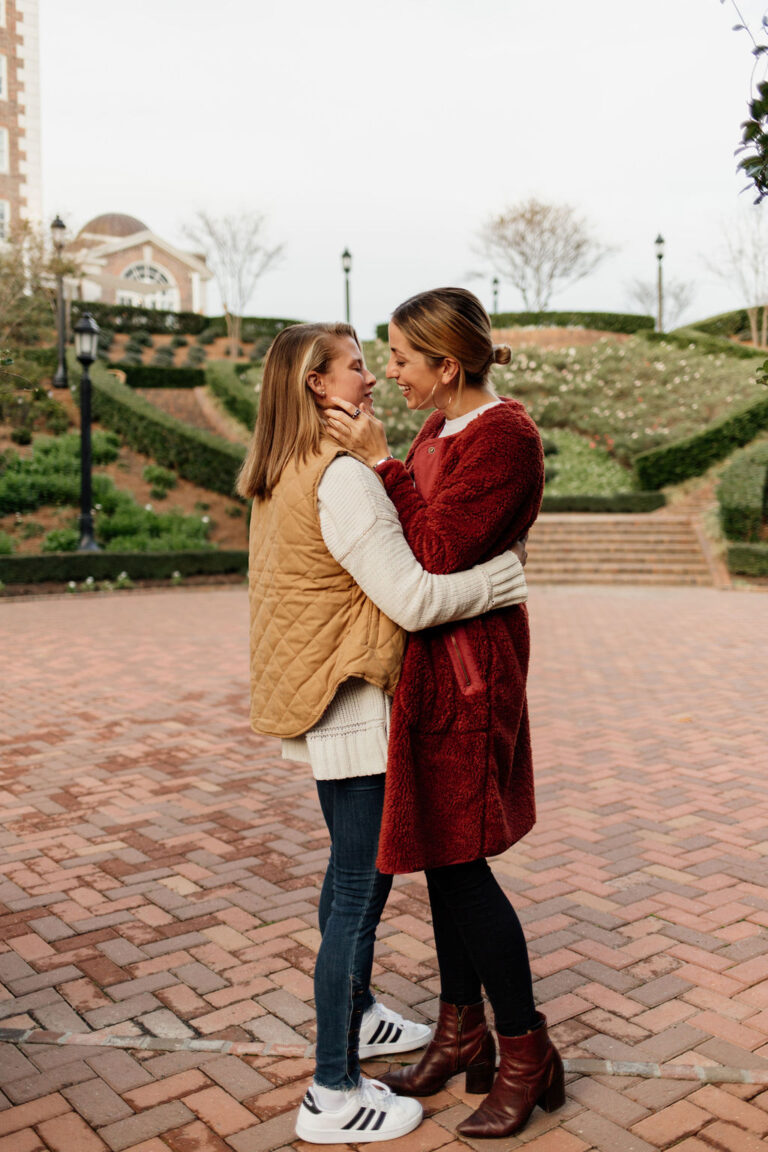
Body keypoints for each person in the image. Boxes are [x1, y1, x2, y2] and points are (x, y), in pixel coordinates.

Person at [239, 321, 531, 1144]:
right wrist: (501, 579)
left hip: (322, 701)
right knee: (357, 900)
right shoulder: (343, 479)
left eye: (381, 363)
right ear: (315, 387)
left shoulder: (278, 470)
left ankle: (359, 1014)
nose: (373, 380)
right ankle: (333, 1091)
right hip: (360, 703)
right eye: (359, 368)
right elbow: (411, 599)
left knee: (343, 886)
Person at [325, 287, 564, 1140]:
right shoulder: (437, 430)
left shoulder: (506, 438)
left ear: (447, 365)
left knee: (461, 862)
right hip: (427, 664)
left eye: (399, 359)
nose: (388, 373)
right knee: (439, 848)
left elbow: (430, 549)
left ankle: (526, 1049)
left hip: (470, 671)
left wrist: (385, 464)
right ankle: (462, 1031)